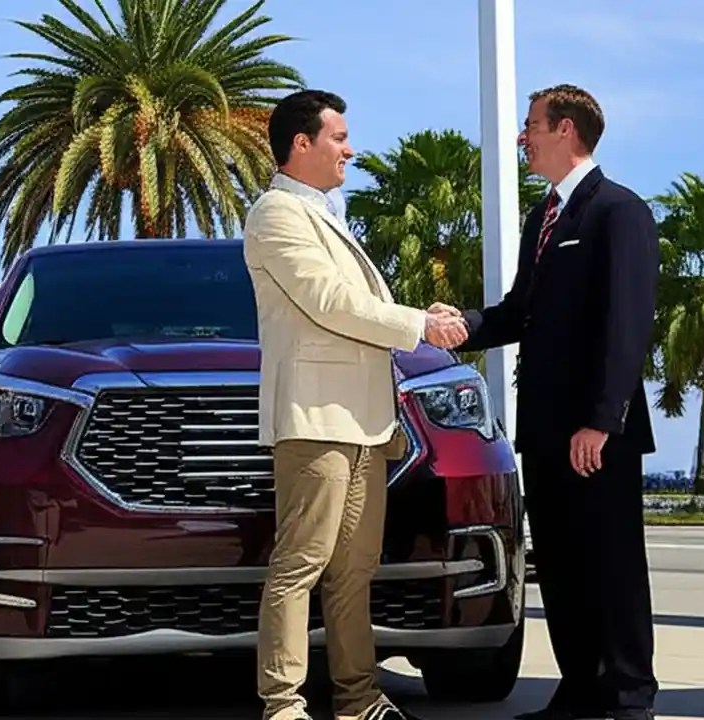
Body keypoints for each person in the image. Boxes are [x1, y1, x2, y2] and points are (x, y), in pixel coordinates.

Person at [243, 89, 466, 720]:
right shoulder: (277, 212)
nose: (351, 148)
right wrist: (418, 323)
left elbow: (355, 306)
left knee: (354, 570)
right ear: (302, 144)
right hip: (315, 418)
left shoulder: (326, 214)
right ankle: (283, 704)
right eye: (339, 137)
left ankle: (359, 698)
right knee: (301, 564)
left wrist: (421, 316)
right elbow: (329, 302)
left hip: (367, 423)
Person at [449, 84, 660, 720]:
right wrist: (455, 326)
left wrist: (601, 420)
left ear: (565, 130)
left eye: (531, 125)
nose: (523, 137)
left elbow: (627, 326)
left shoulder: (619, 211)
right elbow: (519, 314)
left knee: (612, 567)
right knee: (563, 571)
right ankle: (581, 691)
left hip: (597, 433)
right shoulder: (543, 219)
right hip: (541, 432)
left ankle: (628, 697)